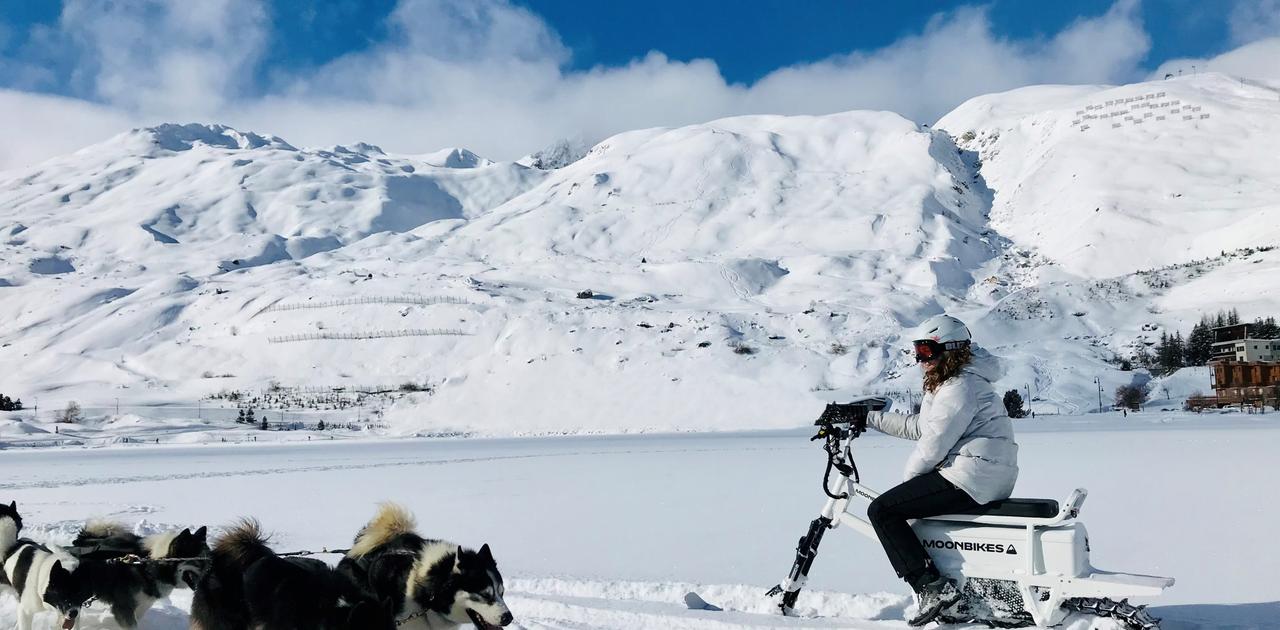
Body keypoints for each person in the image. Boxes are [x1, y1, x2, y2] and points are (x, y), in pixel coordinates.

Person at [863, 314, 1019, 626]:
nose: (920, 360)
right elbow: (921, 427)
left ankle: (932, 589)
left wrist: (908, 486)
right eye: (917, 352)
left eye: (926, 351)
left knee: (883, 511)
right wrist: (866, 417)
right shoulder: (951, 383)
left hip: (973, 474)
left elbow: (934, 445)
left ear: (950, 349)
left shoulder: (960, 387)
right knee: (894, 508)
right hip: (980, 472)